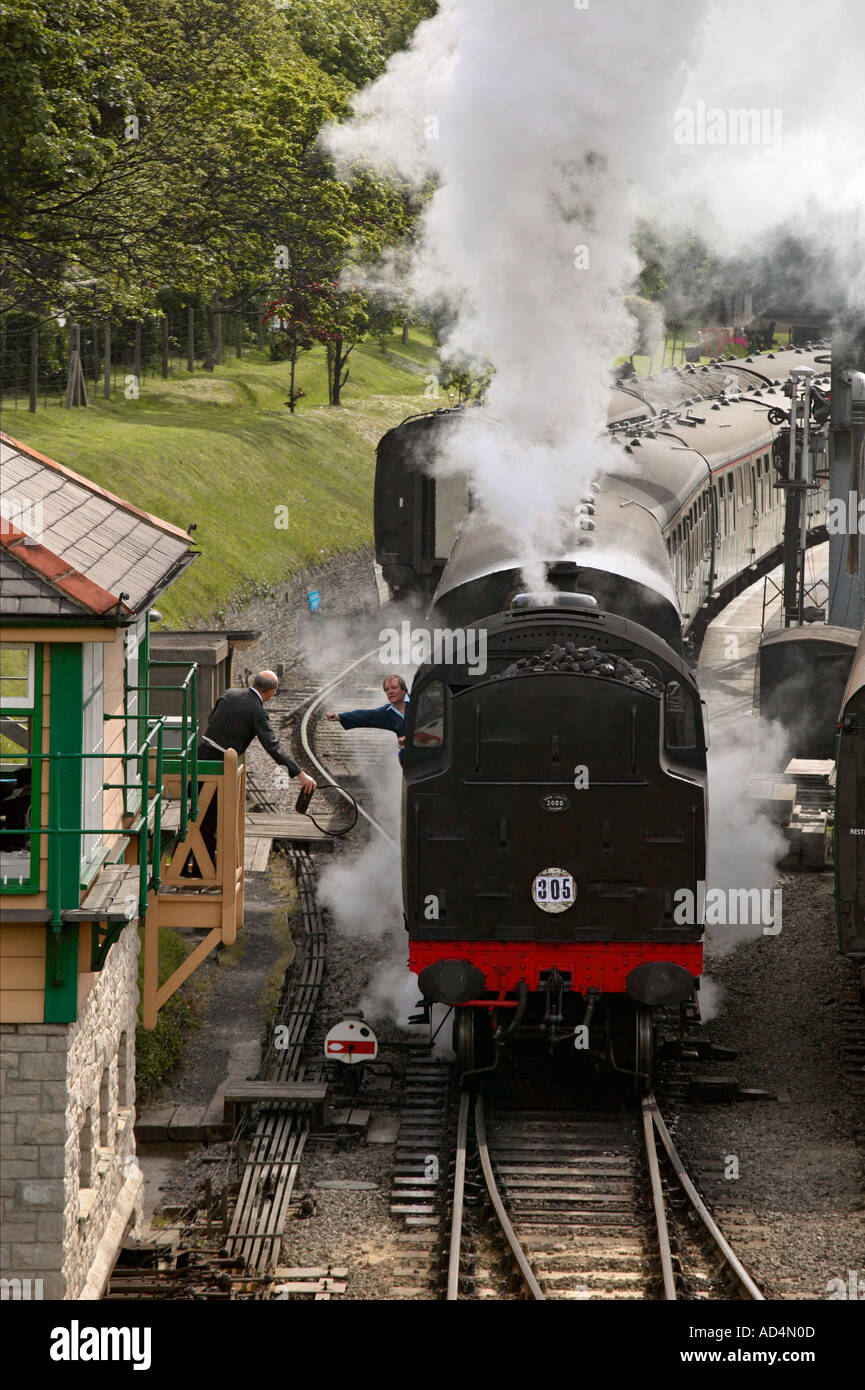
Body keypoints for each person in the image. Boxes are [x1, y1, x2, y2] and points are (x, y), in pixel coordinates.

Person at [183, 671, 315, 875]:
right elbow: (273, 747)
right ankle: (202, 873)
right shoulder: (257, 711)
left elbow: (212, 719)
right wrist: (300, 774)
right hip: (219, 766)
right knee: (208, 820)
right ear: (271, 692)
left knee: (194, 816)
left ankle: (191, 869)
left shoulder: (229, 694)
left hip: (199, 756)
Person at [326, 674, 409, 754]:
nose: (390, 692)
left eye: (394, 688)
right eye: (387, 689)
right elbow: (365, 716)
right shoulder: (388, 712)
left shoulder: (418, 701)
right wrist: (339, 717)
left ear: (403, 690)